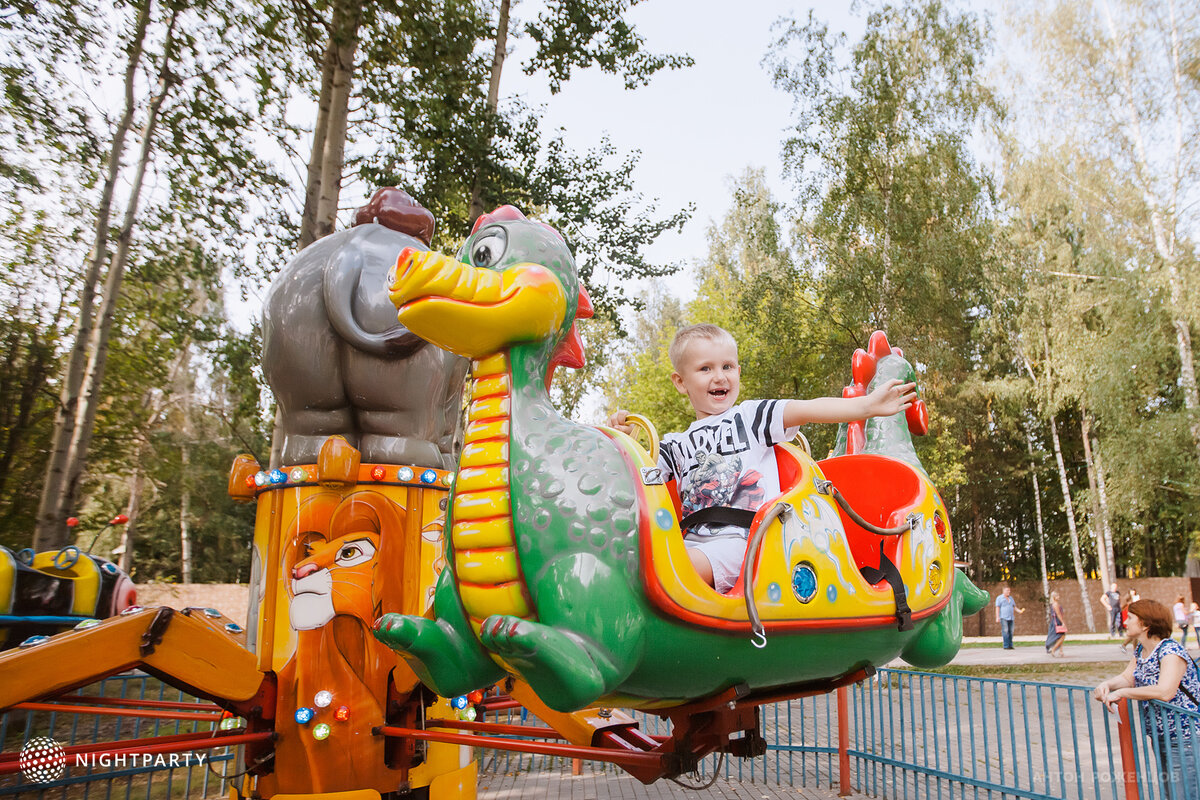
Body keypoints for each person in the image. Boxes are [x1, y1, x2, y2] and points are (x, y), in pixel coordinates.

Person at [608, 323, 916, 593]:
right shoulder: (675, 445)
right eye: (705, 369)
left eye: (728, 367)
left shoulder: (750, 418)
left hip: (744, 546)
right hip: (688, 542)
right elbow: (630, 479)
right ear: (680, 382)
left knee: (667, 566)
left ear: (738, 372)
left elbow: (808, 408)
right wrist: (624, 438)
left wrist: (866, 407)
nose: (719, 377)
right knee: (631, 557)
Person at [1094, 599, 1200, 799]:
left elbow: (1165, 691)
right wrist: (1107, 685)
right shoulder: (1141, 651)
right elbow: (1128, 677)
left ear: (1145, 624)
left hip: (1186, 737)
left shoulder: (1170, 651)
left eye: (1130, 618)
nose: (1125, 622)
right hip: (1162, 736)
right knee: (1173, 794)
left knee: (1185, 794)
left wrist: (1123, 693)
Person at [1046, 591, 1067, 657]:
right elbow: (1058, 614)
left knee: (1059, 636)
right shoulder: (1055, 604)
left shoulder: (1054, 604)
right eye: (1057, 596)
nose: (1059, 597)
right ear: (1054, 597)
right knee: (1062, 636)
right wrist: (1063, 622)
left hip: (1055, 621)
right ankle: (1053, 650)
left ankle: (1060, 651)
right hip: (1057, 621)